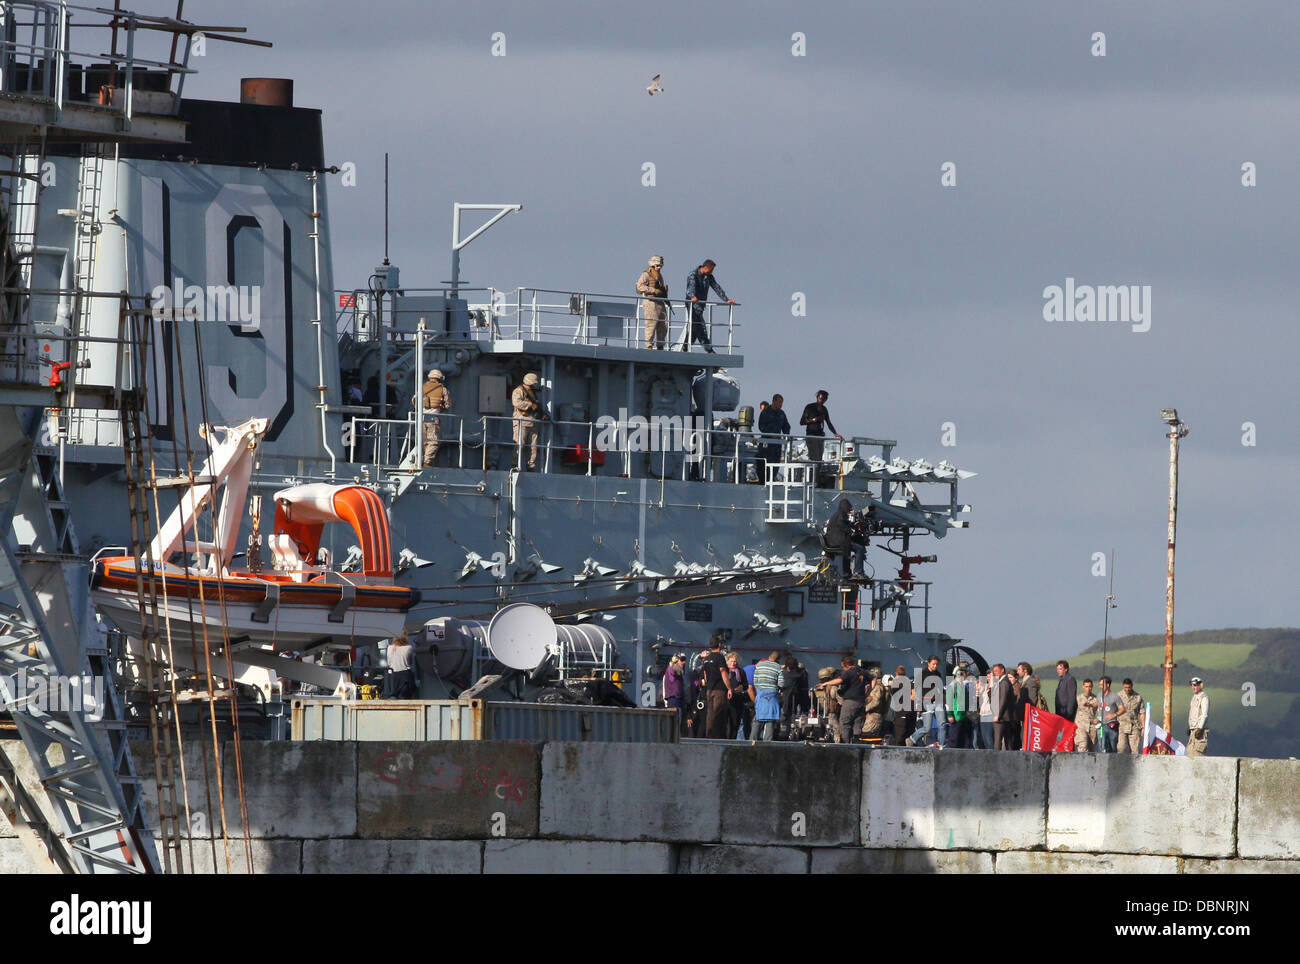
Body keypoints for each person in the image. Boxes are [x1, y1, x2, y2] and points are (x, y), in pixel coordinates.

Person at [684, 259, 732, 353]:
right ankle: (709, 349)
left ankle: (685, 348)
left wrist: (726, 299)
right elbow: (690, 288)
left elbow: (716, 287)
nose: (711, 272)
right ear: (705, 267)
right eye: (710, 270)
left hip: (700, 306)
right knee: (700, 326)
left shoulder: (708, 276)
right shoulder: (693, 275)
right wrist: (693, 296)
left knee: (695, 328)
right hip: (692, 305)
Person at [819, 656, 866, 744]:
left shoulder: (825, 687)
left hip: (830, 712)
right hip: (833, 711)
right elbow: (839, 699)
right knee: (839, 728)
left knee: (839, 728)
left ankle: (843, 743)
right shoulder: (832, 687)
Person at [414, 369, 450, 467]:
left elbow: (414, 400)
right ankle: (426, 462)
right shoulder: (443, 389)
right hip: (433, 419)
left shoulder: (422, 388)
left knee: (423, 441)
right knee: (434, 441)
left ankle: (419, 461)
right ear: (440, 378)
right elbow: (447, 405)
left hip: (421, 418)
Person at [511, 372, 547, 471]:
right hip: (521, 422)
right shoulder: (518, 391)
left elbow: (537, 407)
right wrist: (530, 405)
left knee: (533, 447)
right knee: (519, 445)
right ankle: (515, 465)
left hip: (533, 423)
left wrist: (542, 414)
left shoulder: (533, 393)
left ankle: (530, 466)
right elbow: (516, 402)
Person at [700, 636, 734, 738]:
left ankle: (709, 736)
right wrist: (729, 688)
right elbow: (723, 672)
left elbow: (705, 676)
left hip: (709, 689)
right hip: (719, 690)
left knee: (710, 715)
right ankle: (719, 737)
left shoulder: (706, 659)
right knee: (719, 714)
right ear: (719, 645)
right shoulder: (719, 657)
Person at [824, 498, 866, 578]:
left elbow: (844, 524)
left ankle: (846, 573)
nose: (850, 510)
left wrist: (851, 527)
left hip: (833, 541)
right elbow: (842, 524)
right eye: (849, 508)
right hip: (838, 542)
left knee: (847, 552)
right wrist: (851, 532)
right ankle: (858, 572)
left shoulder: (837, 514)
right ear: (846, 507)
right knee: (859, 549)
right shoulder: (841, 514)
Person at [799, 390, 843, 464]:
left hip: (820, 436)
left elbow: (828, 422)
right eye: (820, 398)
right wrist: (813, 420)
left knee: (819, 458)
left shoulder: (824, 409)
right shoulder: (810, 407)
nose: (821, 401)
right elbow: (802, 422)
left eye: (824, 399)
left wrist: (835, 433)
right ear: (817, 398)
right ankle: (813, 474)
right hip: (812, 436)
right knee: (815, 458)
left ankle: (817, 474)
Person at [637, 255, 670, 349]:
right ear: (653, 265)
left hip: (660, 302)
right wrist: (653, 290)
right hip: (650, 301)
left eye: (661, 266)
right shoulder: (646, 274)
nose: (659, 268)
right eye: (657, 265)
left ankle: (660, 345)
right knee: (651, 324)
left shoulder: (660, 276)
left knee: (663, 324)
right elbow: (639, 287)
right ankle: (649, 345)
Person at [750, 651, 783, 741]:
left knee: (758, 718)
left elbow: (755, 680)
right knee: (770, 720)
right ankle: (768, 742)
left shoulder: (760, 664)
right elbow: (781, 683)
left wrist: (759, 690)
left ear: (769, 656)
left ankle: (752, 740)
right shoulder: (778, 667)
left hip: (760, 693)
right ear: (778, 659)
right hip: (773, 694)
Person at [756, 394, 790, 477]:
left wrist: (786, 435)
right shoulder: (765, 412)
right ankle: (763, 481)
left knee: (775, 463)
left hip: (777, 444)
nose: (781, 404)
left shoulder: (782, 414)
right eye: (779, 402)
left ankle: (772, 479)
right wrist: (771, 435)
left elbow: (786, 426)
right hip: (766, 444)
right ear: (774, 401)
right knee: (764, 464)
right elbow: (761, 427)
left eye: (782, 403)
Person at [725, 652, 753, 739]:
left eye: (735, 661)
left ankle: (732, 739)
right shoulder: (725, 671)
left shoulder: (740, 671)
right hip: (726, 700)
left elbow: (746, 685)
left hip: (737, 699)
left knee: (735, 722)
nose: (733, 663)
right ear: (728, 661)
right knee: (726, 722)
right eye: (732, 661)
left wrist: (742, 687)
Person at [383, 631, 418, 699]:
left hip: (392, 676)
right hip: (404, 676)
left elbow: (389, 662)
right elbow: (410, 663)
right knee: (405, 697)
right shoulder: (409, 648)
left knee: (392, 696)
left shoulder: (390, 648)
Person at [944, 663, 973, 748]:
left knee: (962, 741)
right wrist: (950, 715)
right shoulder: (953, 686)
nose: (965, 675)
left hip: (963, 717)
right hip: (956, 717)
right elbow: (949, 702)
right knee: (954, 740)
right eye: (964, 673)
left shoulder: (962, 686)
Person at [989, 663, 1016, 750]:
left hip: (1002, 717)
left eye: (996, 671)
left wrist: (998, 714)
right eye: (994, 672)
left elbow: (1003, 699)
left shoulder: (1004, 683)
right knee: (1008, 741)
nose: (995, 673)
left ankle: (996, 759)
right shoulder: (1002, 682)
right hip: (1006, 717)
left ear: (1002, 670)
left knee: (998, 741)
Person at [890, 664, 916, 746]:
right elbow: (914, 696)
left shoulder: (896, 683)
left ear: (896, 673)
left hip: (902, 713)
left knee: (899, 738)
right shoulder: (909, 682)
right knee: (909, 737)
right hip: (912, 712)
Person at [1116, 678, 1144, 754]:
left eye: (1129, 687)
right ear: (1123, 686)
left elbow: (1141, 712)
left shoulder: (1138, 697)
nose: (1127, 689)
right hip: (1121, 725)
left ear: (1132, 686)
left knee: (1135, 750)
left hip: (1134, 726)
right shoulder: (1118, 696)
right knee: (1121, 748)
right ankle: (1121, 764)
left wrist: (1143, 727)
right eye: (1125, 687)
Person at [1074, 679, 1100, 752]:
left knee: (1092, 749)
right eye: (1086, 686)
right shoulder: (1078, 699)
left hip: (1092, 727)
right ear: (1083, 687)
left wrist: (1098, 719)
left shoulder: (1096, 699)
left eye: (1090, 686)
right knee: (1083, 746)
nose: (1088, 688)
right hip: (1080, 726)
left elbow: (1102, 711)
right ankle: (1082, 762)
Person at [1186, 677, 1209, 757]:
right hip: (1193, 731)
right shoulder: (1194, 697)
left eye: (1195, 685)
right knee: (1190, 752)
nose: (1193, 687)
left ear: (1200, 685)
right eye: (1192, 685)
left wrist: (1200, 728)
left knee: (1197, 755)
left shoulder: (1204, 697)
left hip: (1199, 732)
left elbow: (1204, 714)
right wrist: (1190, 727)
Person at [1098, 676, 1121, 753]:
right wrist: (1090, 705)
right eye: (1099, 685)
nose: (1100, 687)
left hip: (1111, 726)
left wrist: (1114, 714)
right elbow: (1098, 704)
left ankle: (1113, 763)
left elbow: (1122, 709)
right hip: (1101, 725)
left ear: (1107, 685)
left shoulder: (1115, 696)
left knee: (1112, 747)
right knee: (1102, 747)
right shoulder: (1099, 695)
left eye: (1102, 685)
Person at [862, 672, 886, 740]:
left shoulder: (877, 687)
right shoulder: (876, 686)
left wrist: (865, 708)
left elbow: (876, 701)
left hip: (874, 716)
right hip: (872, 715)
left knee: (868, 735)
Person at [662, 653, 685, 718]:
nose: (684, 662)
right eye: (682, 660)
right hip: (673, 699)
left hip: (678, 699)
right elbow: (676, 669)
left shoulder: (676, 671)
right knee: (674, 721)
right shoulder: (671, 669)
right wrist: (679, 665)